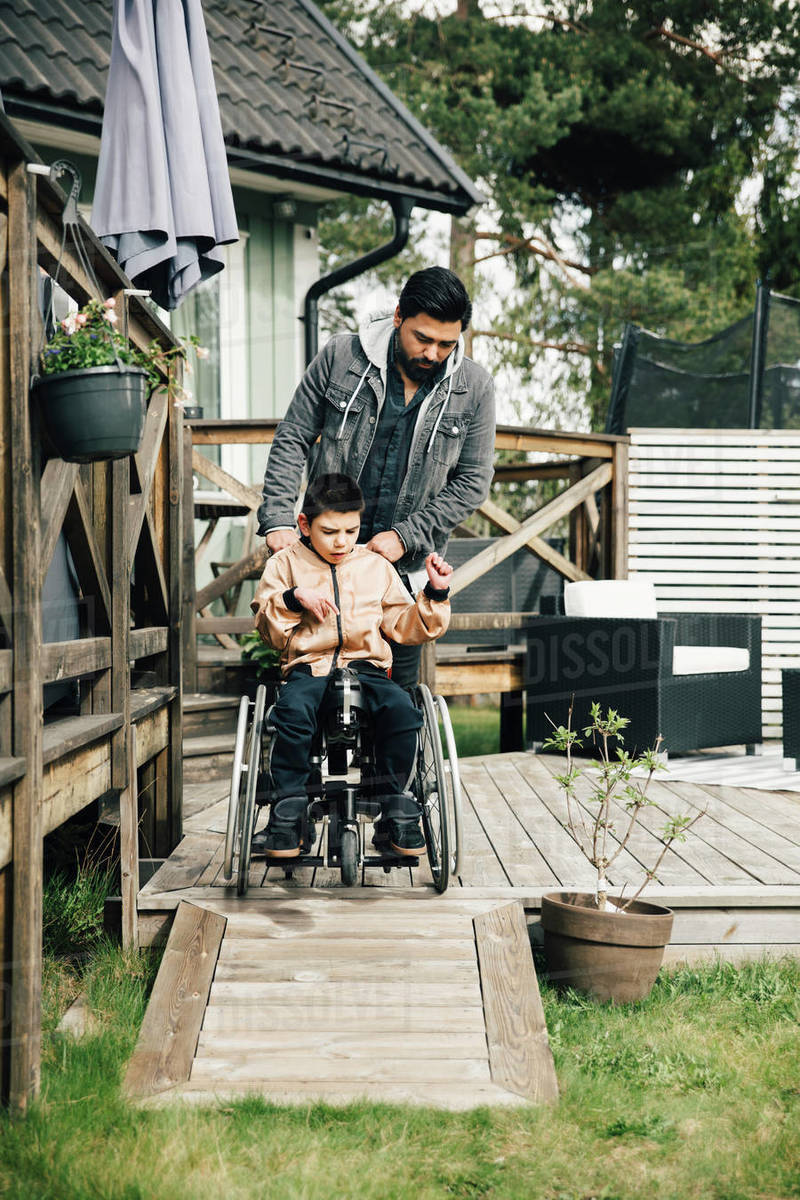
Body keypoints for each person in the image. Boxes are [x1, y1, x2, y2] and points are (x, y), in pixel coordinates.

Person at [257, 265, 495, 688]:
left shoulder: (474, 387)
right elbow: (292, 436)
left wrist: (405, 535)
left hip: (402, 572)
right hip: (320, 559)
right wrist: (277, 519)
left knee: (394, 702)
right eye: (423, 338)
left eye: (446, 344)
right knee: (311, 694)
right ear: (399, 316)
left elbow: (472, 483)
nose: (433, 354)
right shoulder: (340, 357)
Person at [250, 472, 453, 860]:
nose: (341, 541)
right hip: (310, 667)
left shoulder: (374, 566)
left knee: (402, 711)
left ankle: (396, 806)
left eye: (351, 530)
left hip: (367, 667)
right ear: (304, 525)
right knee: (292, 713)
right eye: (329, 531)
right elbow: (266, 627)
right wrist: (293, 599)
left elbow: (405, 625)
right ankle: (290, 809)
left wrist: (435, 592)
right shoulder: (285, 564)